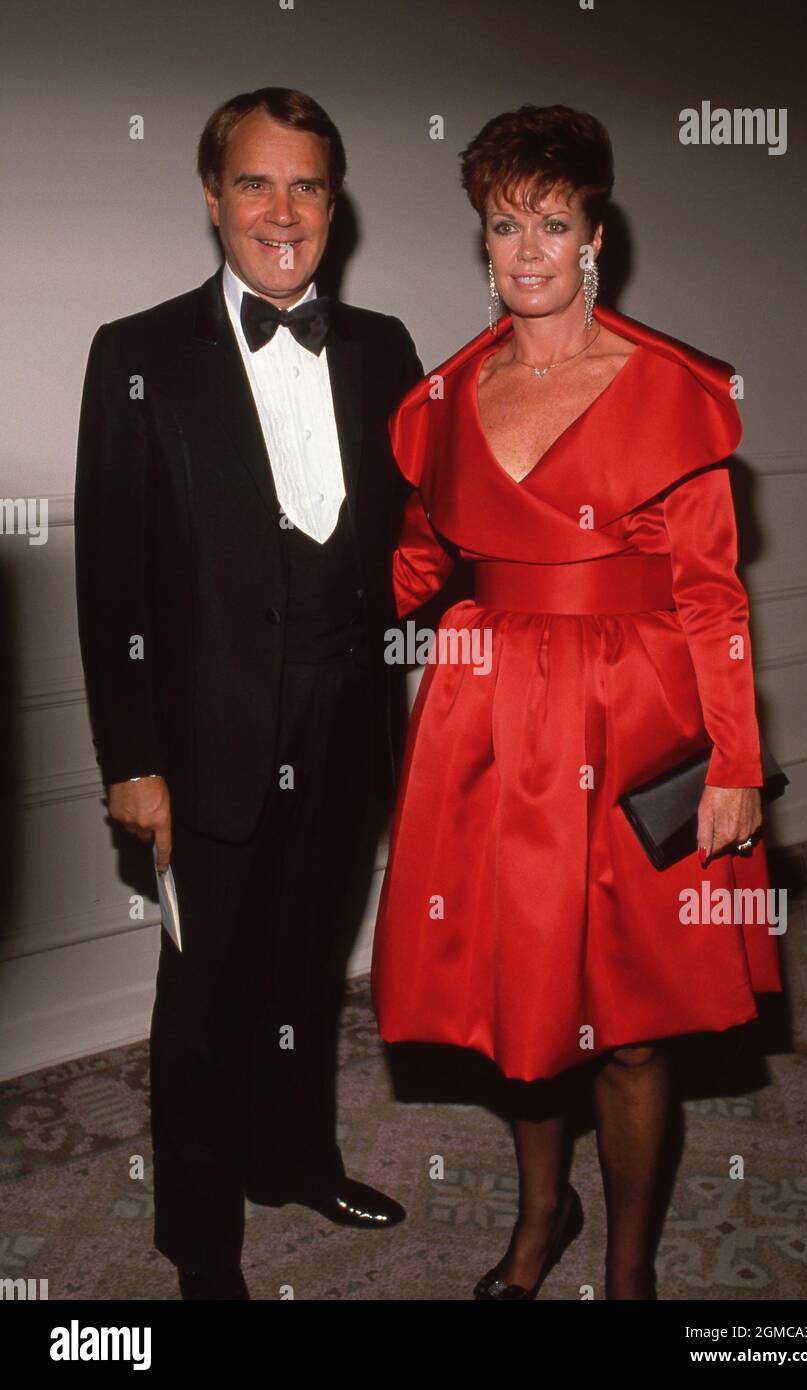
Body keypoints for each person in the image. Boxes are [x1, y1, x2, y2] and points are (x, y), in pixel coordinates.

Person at [370, 104, 783, 1301]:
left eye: (553, 221)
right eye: (504, 225)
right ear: (481, 240)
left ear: (595, 231)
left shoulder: (670, 393)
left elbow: (712, 596)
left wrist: (735, 765)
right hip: (487, 723)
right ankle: (539, 1216)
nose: (528, 248)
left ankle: (630, 1269)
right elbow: (407, 568)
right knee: (523, 1005)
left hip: (632, 714)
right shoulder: (441, 401)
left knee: (636, 1025)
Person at [75, 87, 421, 1300]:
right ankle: (199, 1239)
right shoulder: (137, 353)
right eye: (257, 184)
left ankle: (298, 1156)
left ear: (336, 201)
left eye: (309, 186)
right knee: (204, 997)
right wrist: (131, 758)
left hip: (348, 734)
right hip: (205, 744)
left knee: (306, 970)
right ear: (214, 197)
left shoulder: (382, 346)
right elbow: (111, 580)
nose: (284, 211)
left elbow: (418, 545)